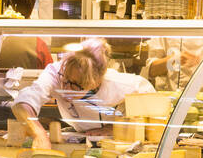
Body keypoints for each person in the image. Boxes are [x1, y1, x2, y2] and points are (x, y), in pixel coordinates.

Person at [12, 40, 154, 147]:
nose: (66, 88)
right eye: (65, 79)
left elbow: (153, 109)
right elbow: (24, 103)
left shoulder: (121, 85)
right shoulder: (55, 73)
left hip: (114, 144)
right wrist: (39, 133)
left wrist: (116, 127)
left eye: (75, 85)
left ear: (96, 82)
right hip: (79, 136)